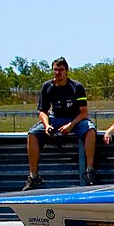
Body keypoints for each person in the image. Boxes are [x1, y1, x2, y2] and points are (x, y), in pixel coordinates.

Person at [24, 57, 96, 190]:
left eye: (61, 70)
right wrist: (47, 126)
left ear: (67, 71)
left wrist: (71, 125)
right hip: (55, 118)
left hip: (75, 118)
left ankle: (89, 170)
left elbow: (84, 112)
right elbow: (42, 111)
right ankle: (33, 176)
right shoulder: (47, 87)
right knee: (32, 134)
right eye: (55, 70)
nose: (58, 73)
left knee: (90, 130)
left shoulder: (76, 87)